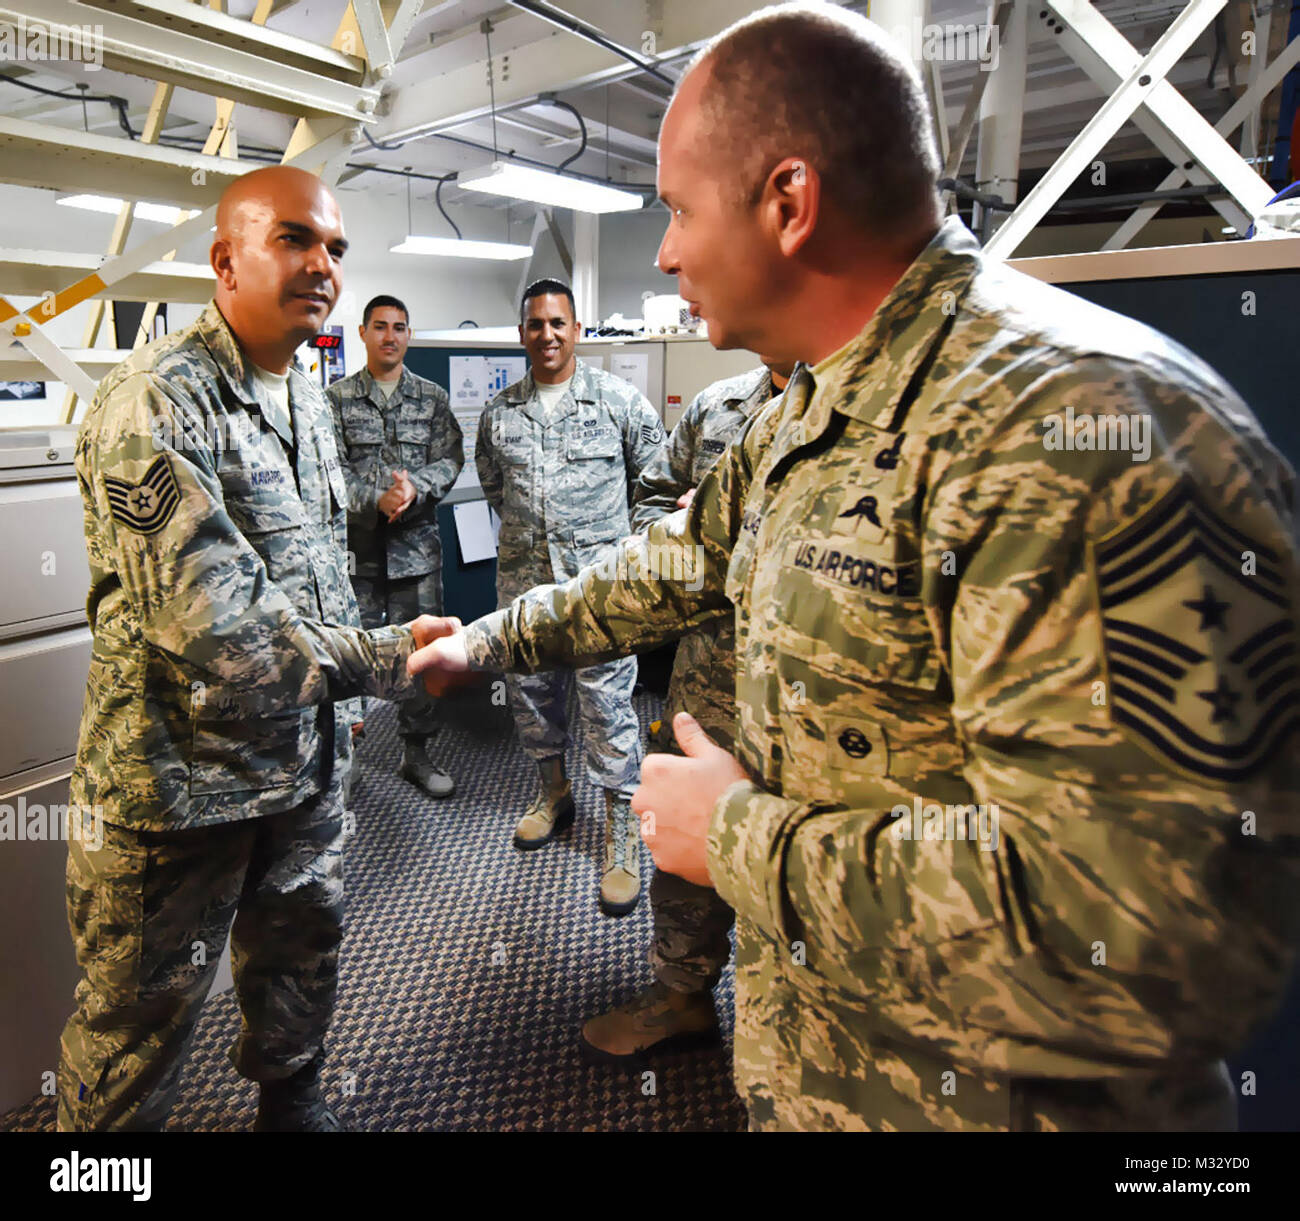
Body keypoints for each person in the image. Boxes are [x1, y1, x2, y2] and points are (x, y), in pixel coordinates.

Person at [410, 4, 1300, 1131]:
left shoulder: (1083, 429)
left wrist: (734, 839)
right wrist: (485, 640)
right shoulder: (811, 408)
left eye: (678, 210)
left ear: (787, 203)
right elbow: (672, 562)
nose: (669, 250)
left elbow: (1156, 945)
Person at [60, 165, 456, 1132]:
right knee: (133, 1033)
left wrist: (350, 702)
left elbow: (314, 570)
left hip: (303, 764)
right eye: (293, 239)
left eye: (335, 248)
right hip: (181, 787)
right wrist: (385, 656)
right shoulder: (154, 403)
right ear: (223, 260)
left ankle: (295, 1102)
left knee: (301, 956)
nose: (323, 265)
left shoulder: (304, 395)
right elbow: (228, 633)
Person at [581, 359, 791, 1061]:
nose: (672, 255)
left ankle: (791, 1034)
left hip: (807, 696)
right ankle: (682, 996)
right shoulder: (718, 404)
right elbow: (649, 500)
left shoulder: (867, 407)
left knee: (792, 855)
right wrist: (682, 522)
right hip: (709, 675)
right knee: (680, 847)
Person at [474, 278, 666, 916]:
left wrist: (628, 560)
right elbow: (497, 491)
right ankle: (553, 795)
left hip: (600, 594)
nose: (547, 335)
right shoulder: (499, 413)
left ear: (576, 329)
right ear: (522, 333)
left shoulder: (618, 402)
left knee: (608, 708)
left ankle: (621, 833)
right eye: (535, 324)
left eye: (559, 323)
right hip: (524, 590)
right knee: (532, 701)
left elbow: (658, 486)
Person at [328, 294, 464, 799]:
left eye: (400, 327)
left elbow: (450, 460)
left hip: (416, 557)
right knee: (350, 657)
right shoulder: (335, 400)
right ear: (363, 333)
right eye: (380, 327)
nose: (390, 336)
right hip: (357, 559)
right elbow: (329, 472)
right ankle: (348, 753)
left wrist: (415, 489)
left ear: (409, 334)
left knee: (420, 659)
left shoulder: (432, 398)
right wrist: (373, 500)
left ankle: (417, 752)